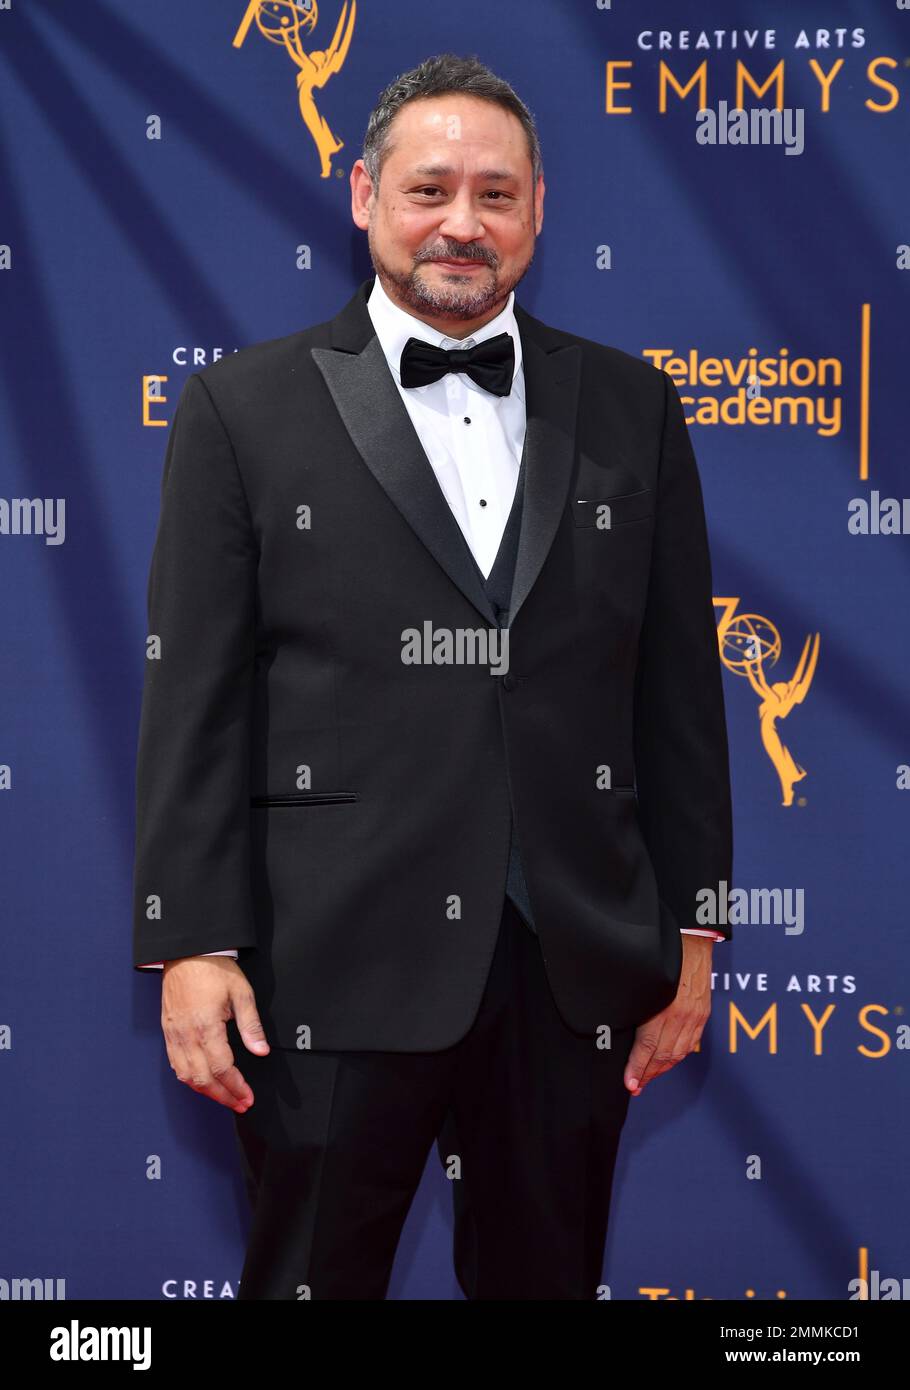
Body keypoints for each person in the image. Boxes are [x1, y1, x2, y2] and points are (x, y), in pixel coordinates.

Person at [132, 52, 733, 1300]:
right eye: (429, 189)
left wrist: (696, 923)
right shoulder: (241, 409)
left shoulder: (632, 409)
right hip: (325, 965)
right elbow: (195, 698)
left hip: (570, 961)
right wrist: (190, 940)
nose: (462, 222)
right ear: (364, 197)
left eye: (495, 194)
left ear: (538, 211)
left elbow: (676, 694)